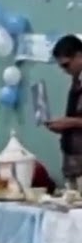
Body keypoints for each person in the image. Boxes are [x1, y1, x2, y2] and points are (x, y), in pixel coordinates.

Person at [46, 34, 82, 185]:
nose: (64, 70)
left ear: (79, 55)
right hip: (72, 163)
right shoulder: (76, 82)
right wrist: (63, 128)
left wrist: (69, 123)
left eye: (66, 65)